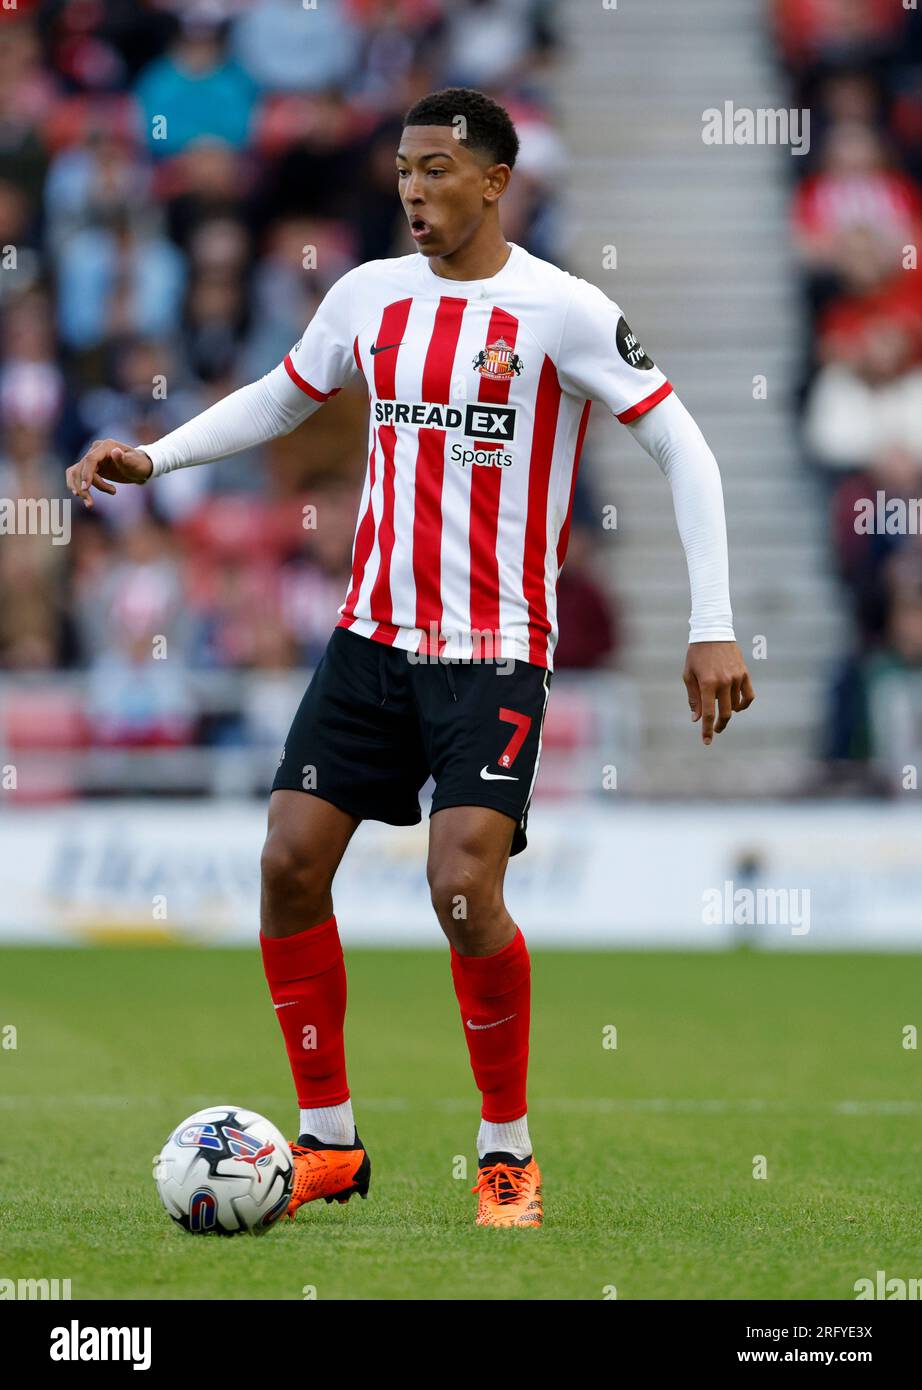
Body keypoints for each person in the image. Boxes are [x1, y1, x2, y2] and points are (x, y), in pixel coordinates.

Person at [66, 87, 755, 1230]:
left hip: (491, 654)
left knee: (461, 885)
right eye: (402, 168)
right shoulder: (367, 297)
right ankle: (329, 1141)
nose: (414, 189)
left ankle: (504, 1151)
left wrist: (711, 620)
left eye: (437, 168)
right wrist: (157, 456)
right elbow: (281, 401)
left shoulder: (564, 311)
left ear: (494, 181)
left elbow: (685, 448)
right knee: (288, 861)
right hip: (370, 637)